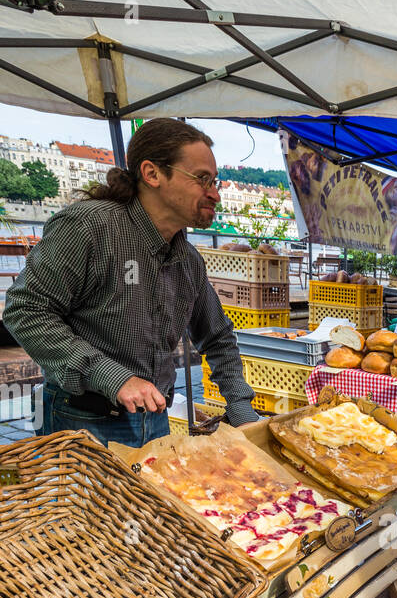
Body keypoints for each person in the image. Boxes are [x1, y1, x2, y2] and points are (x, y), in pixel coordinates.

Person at [4, 117, 257, 446]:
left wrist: (240, 407)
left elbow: (218, 337)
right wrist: (113, 377)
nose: (215, 195)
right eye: (202, 180)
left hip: (155, 420)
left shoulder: (188, 260)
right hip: (82, 419)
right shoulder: (90, 228)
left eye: (216, 182)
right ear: (152, 174)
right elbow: (26, 310)